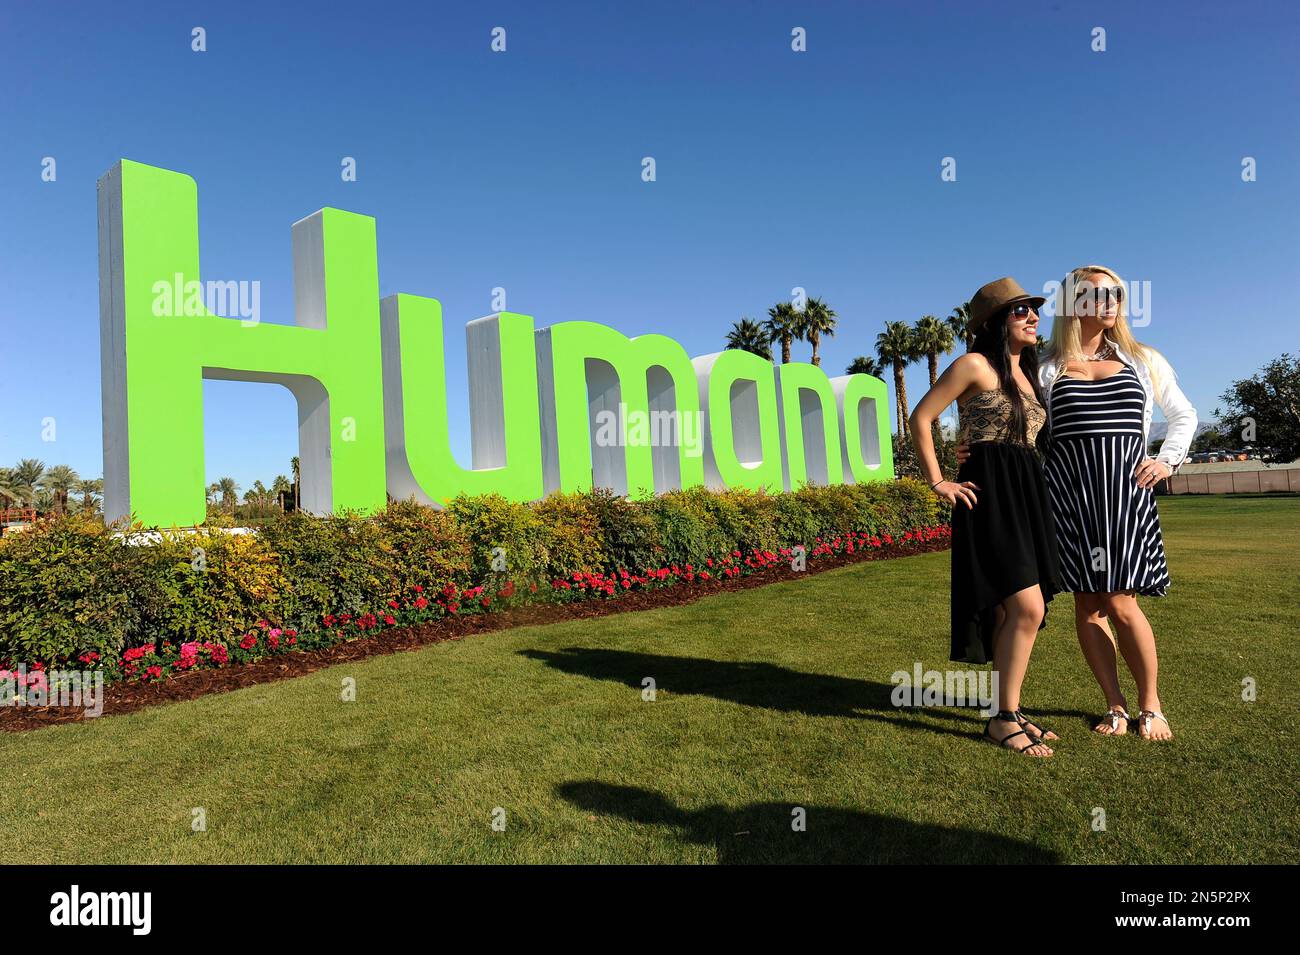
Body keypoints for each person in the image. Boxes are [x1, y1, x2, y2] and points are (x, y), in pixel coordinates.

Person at [1039, 265, 1197, 741]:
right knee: (1087, 603)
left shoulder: (1141, 358)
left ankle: (1152, 704)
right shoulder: (1045, 366)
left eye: (1115, 294)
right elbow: (1017, 419)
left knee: (1121, 601)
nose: (1108, 301)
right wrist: (974, 448)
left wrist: (1167, 460)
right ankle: (1115, 704)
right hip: (1068, 495)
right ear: (1071, 304)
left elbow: (1183, 414)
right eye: (1095, 294)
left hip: (1124, 493)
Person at [910, 278, 1063, 756]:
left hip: (1026, 491)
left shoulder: (1028, 373)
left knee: (1009, 609)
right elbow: (921, 417)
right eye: (1021, 311)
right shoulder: (974, 363)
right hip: (988, 494)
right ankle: (1000, 719)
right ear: (996, 323)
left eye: (1033, 310)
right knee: (1027, 607)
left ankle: (1009, 710)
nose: (1033, 317)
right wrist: (939, 481)